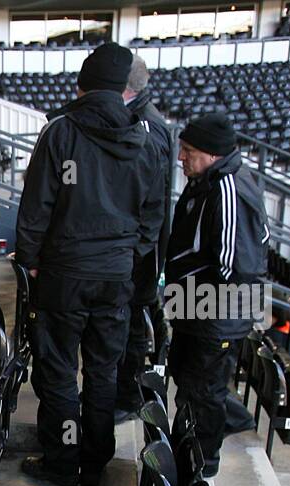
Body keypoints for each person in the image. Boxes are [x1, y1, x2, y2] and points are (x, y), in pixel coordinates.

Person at [14, 42, 158, 486]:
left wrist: (31, 260)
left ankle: (61, 461)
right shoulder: (145, 141)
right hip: (114, 276)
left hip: (65, 274)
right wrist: (126, 259)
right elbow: (152, 219)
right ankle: (94, 463)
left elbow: (36, 206)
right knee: (102, 372)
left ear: (82, 85)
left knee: (57, 371)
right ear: (121, 89)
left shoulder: (61, 132)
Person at [165, 112, 270, 478]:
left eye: (188, 151)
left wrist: (181, 287)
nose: (181, 158)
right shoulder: (210, 180)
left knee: (202, 394)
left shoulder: (228, 188)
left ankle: (199, 471)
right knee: (188, 380)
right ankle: (197, 451)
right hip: (199, 310)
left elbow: (232, 267)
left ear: (210, 154)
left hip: (215, 315)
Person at [115, 55, 172, 424]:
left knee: (133, 322)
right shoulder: (143, 119)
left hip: (143, 252)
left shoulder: (146, 126)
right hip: (142, 247)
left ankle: (129, 396)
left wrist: (136, 250)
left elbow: (150, 204)